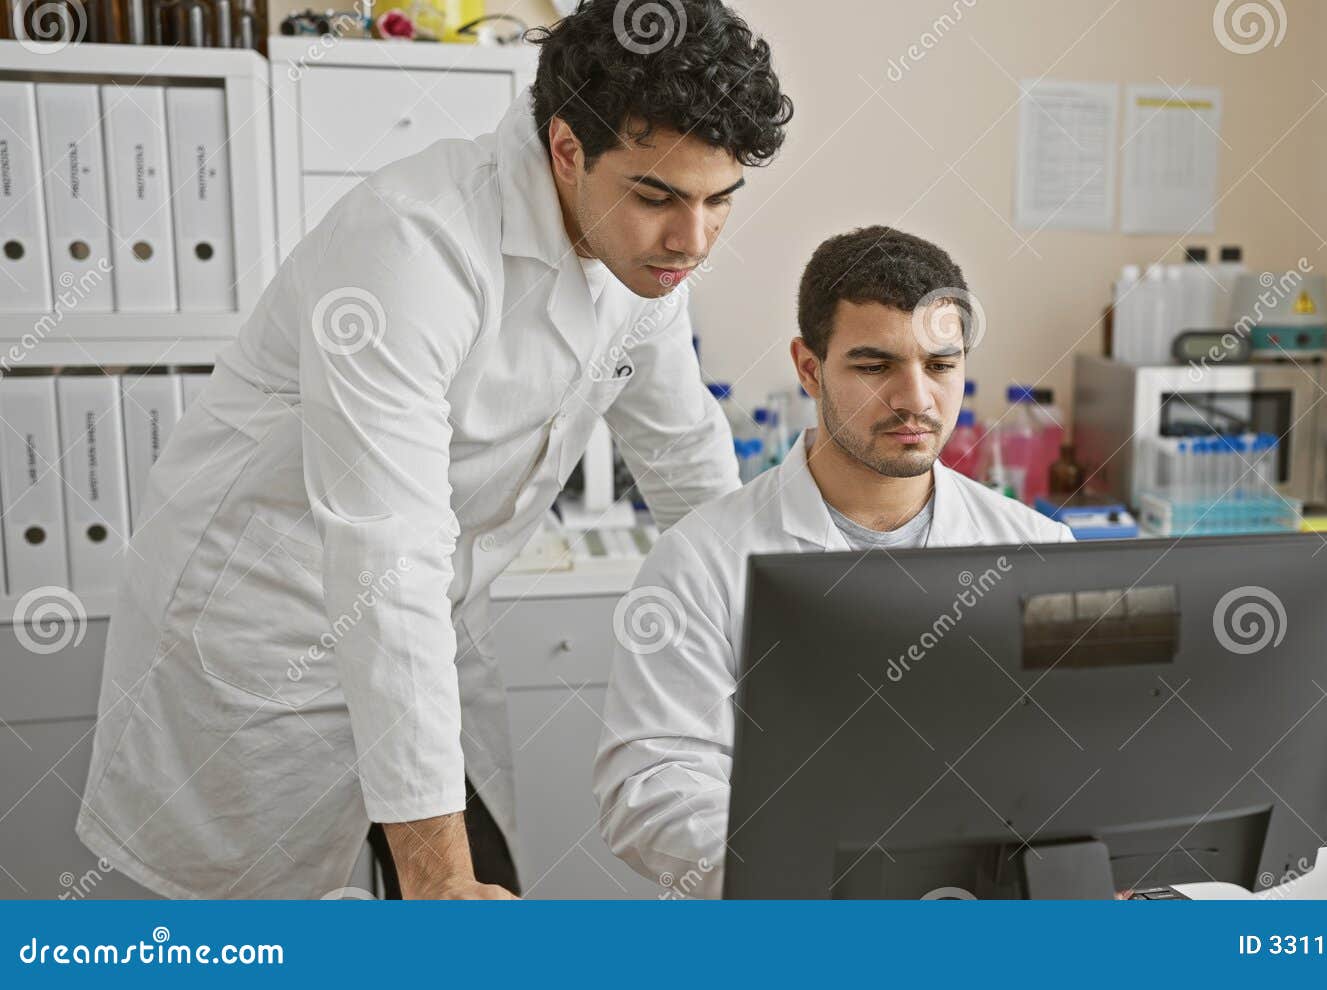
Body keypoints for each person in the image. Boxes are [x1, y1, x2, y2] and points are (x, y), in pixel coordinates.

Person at [76, 0, 792, 900]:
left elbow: (689, 468)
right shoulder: (413, 247)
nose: (693, 239)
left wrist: (787, 668)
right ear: (567, 150)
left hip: (427, 636)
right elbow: (387, 555)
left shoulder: (644, 264)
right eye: (658, 197)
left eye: (718, 200)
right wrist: (438, 882)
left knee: (481, 897)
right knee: (271, 944)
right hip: (268, 642)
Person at [593, 226, 1074, 898]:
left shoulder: (1037, 553)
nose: (916, 399)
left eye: (940, 366)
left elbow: (1077, 765)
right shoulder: (702, 562)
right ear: (809, 366)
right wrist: (819, 876)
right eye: (876, 367)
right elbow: (653, 788)